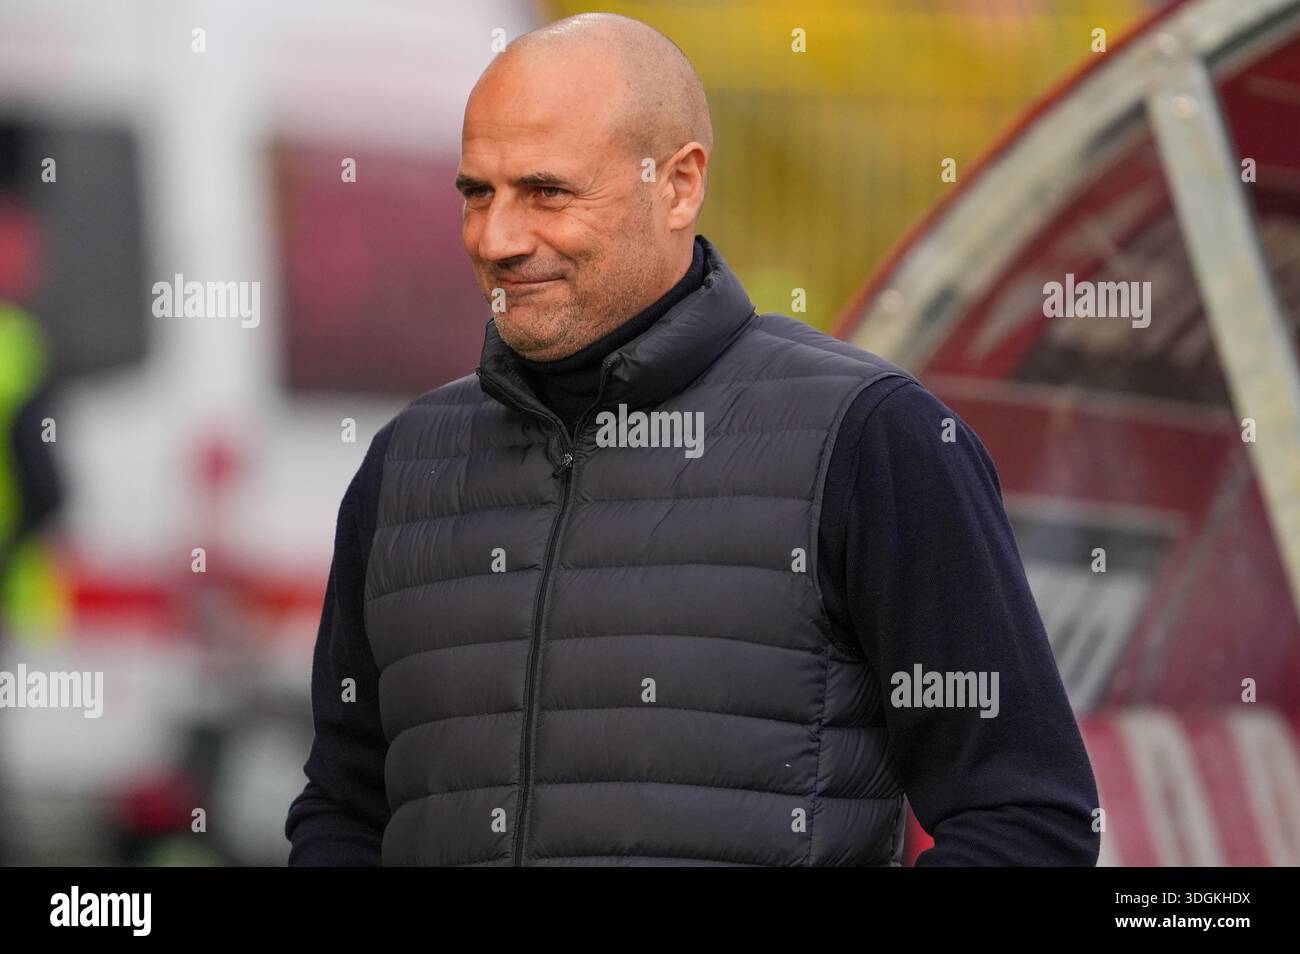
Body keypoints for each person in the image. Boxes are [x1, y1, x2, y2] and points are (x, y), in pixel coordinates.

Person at [285, 12, 1099, 866]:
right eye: (477, 194)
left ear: (677, 185)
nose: (498, 239)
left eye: (547, 192)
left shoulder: (873, 440)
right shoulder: (404, 467)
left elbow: (1026, 824)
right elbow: (343, 809)